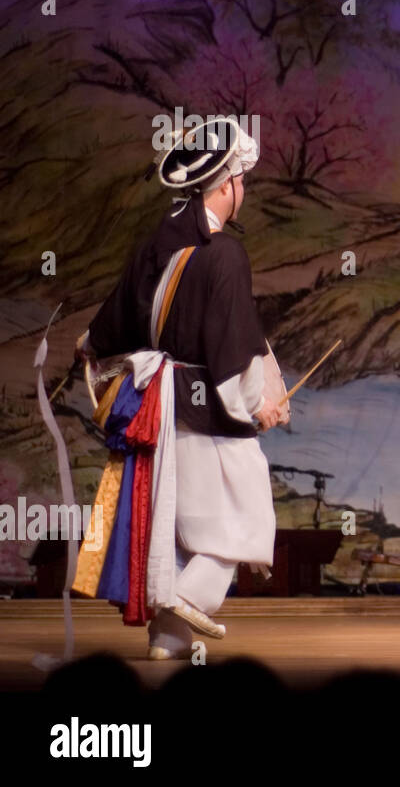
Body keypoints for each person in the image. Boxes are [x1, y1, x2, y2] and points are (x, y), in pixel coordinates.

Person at [75, 117, 286, 659]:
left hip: (159, 404)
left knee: (171, 516)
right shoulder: (224, 255)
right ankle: (189, 598)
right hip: (204, 402)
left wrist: (91, 341)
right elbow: (229, 344)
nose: (245, 191)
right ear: (225, 185)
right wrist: (257, 405)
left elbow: (120, 309)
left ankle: (167, 640)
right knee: (247, 511)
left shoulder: (159, 242)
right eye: (243, 180)